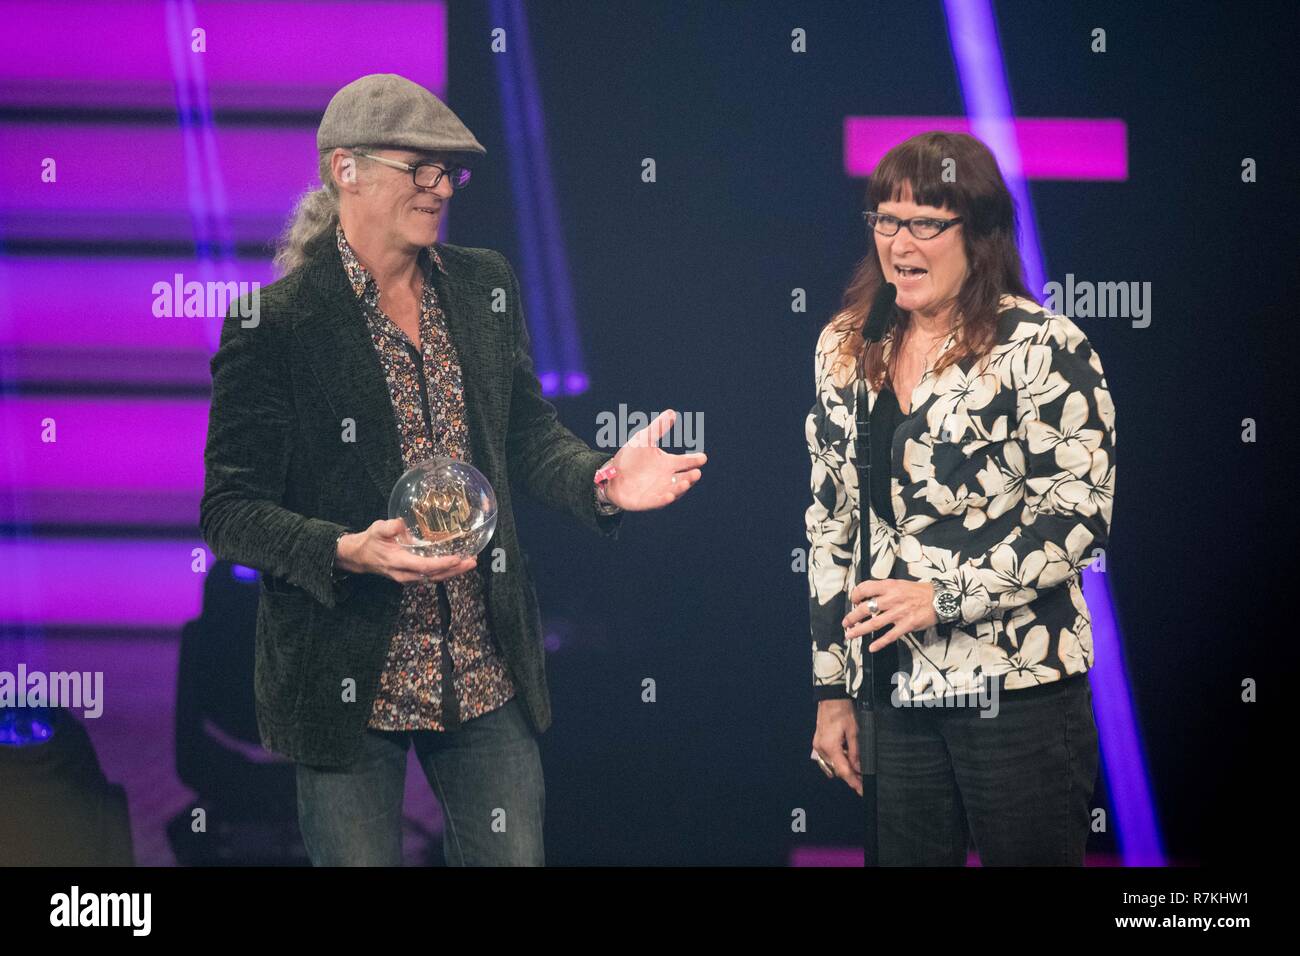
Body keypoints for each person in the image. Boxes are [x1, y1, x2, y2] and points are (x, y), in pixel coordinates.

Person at [200, 73, 706, 866]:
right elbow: (229, 510)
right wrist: (346, 548)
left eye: (449, 172)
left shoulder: (483, 286)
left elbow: (525, 435)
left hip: (479, 666)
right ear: (346, 169)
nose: (440, 189)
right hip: (346, 677)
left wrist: (600, 479)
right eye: (419, 168)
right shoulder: (276, 326)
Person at [806, 131, 1115, 865]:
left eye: (924, 222)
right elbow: (831, 523)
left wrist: (941, 595)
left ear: (977, 234)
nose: (899, 241)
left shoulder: (1043, 347)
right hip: (894, 693)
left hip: (1018, 690)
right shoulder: (845, 345)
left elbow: (1077, 516)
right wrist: (832, 689)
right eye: (886, 218)